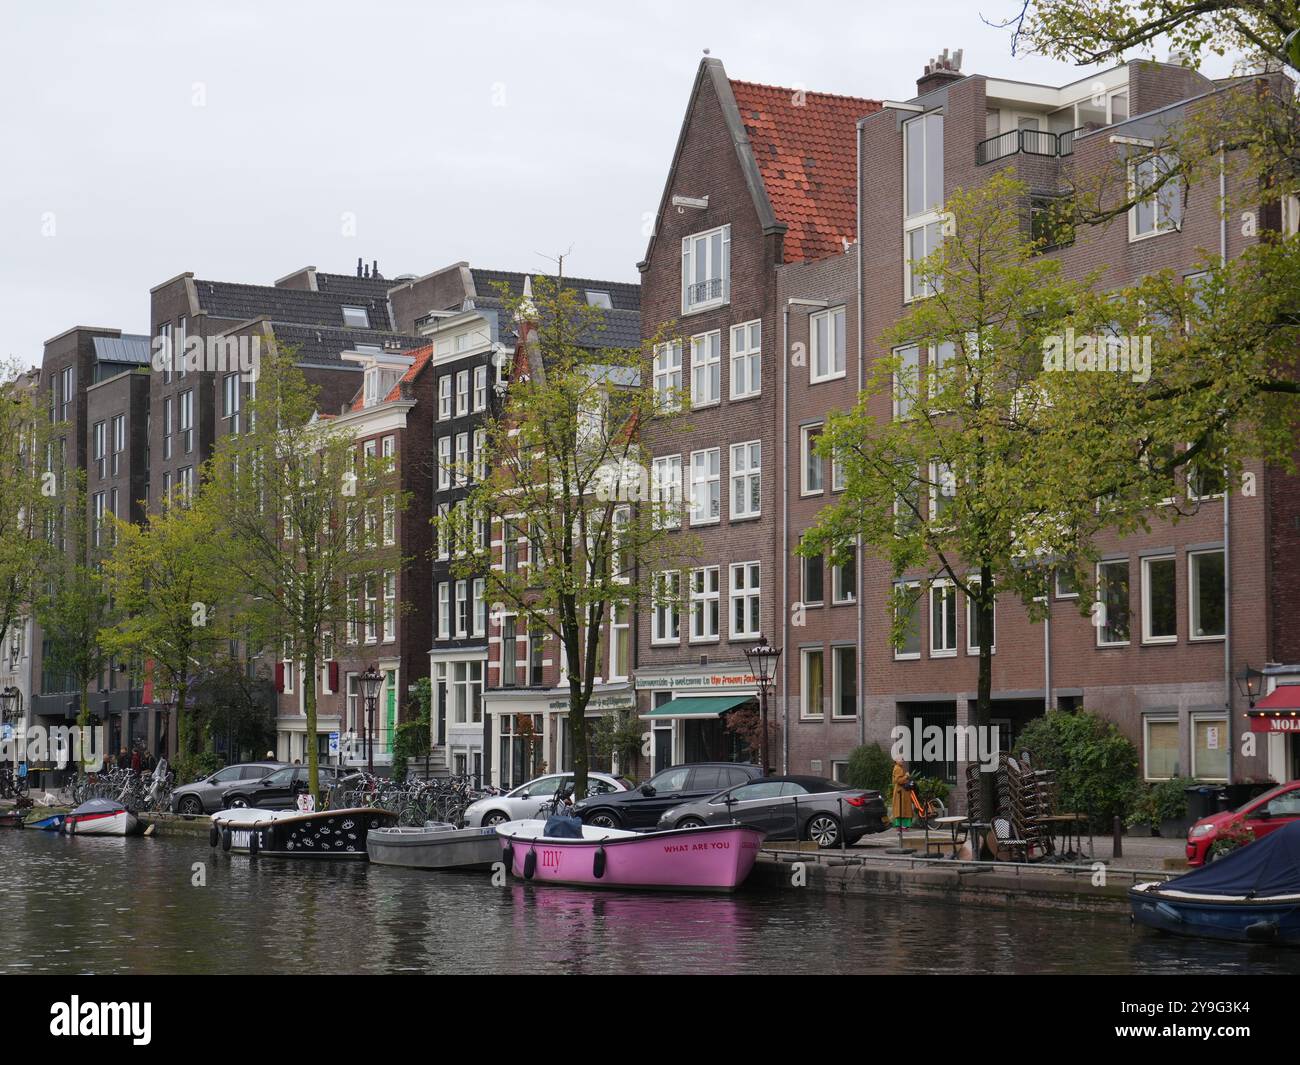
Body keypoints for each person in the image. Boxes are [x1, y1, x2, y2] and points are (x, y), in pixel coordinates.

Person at [890, 754, 913, 831]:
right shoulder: (898, 769)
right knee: (902, 808)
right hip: (901, 792)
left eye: (902, 759)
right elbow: (898, 780)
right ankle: (903, 826)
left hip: (901, 791)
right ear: (896, 761)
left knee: (901, 808)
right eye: (901, 759)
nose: (903, 760)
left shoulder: (898, 768)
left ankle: (900, 825)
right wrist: (906, 776)